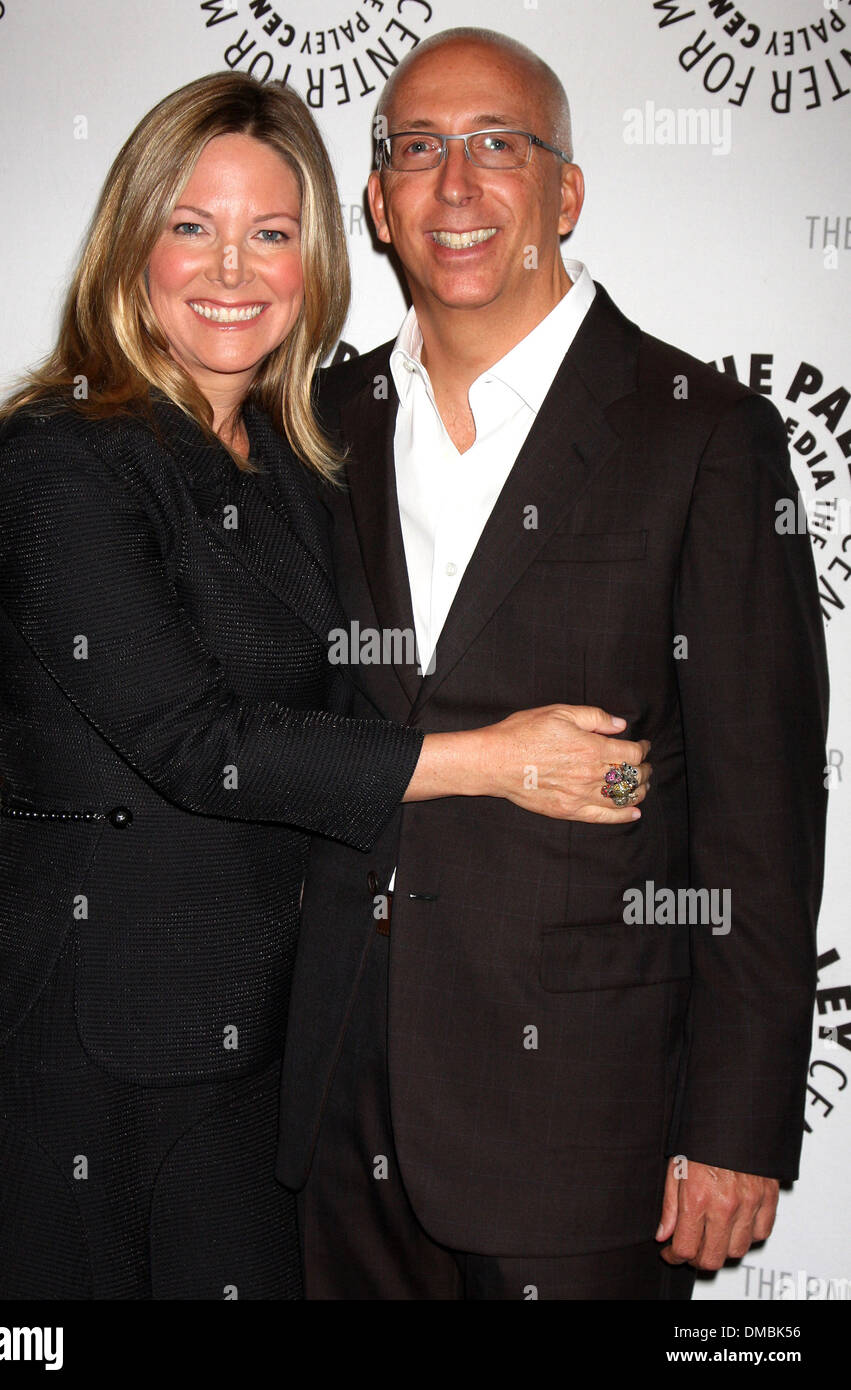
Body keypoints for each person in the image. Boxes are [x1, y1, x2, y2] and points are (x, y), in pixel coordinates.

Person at [0, 69, 652, 1300]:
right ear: (131, 241)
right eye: (191, 227)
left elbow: (338, 693)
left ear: (316, 254)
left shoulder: (303, 458)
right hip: (82, 1039)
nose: (232, 271)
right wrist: (499, 760)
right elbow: (191, 734)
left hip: (261, 1041)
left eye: (270, 234)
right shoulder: (61, 454)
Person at [265, 30, 828, 1299]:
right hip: (335, 1106)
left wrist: (737, 1124)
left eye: (498, 146)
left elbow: (760, 809)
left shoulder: (705, 437)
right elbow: (248, 698)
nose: (455, 186)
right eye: (418, 150)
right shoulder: (315, 425)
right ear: (378, 201)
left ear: (564, 193)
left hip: (586, 1124)